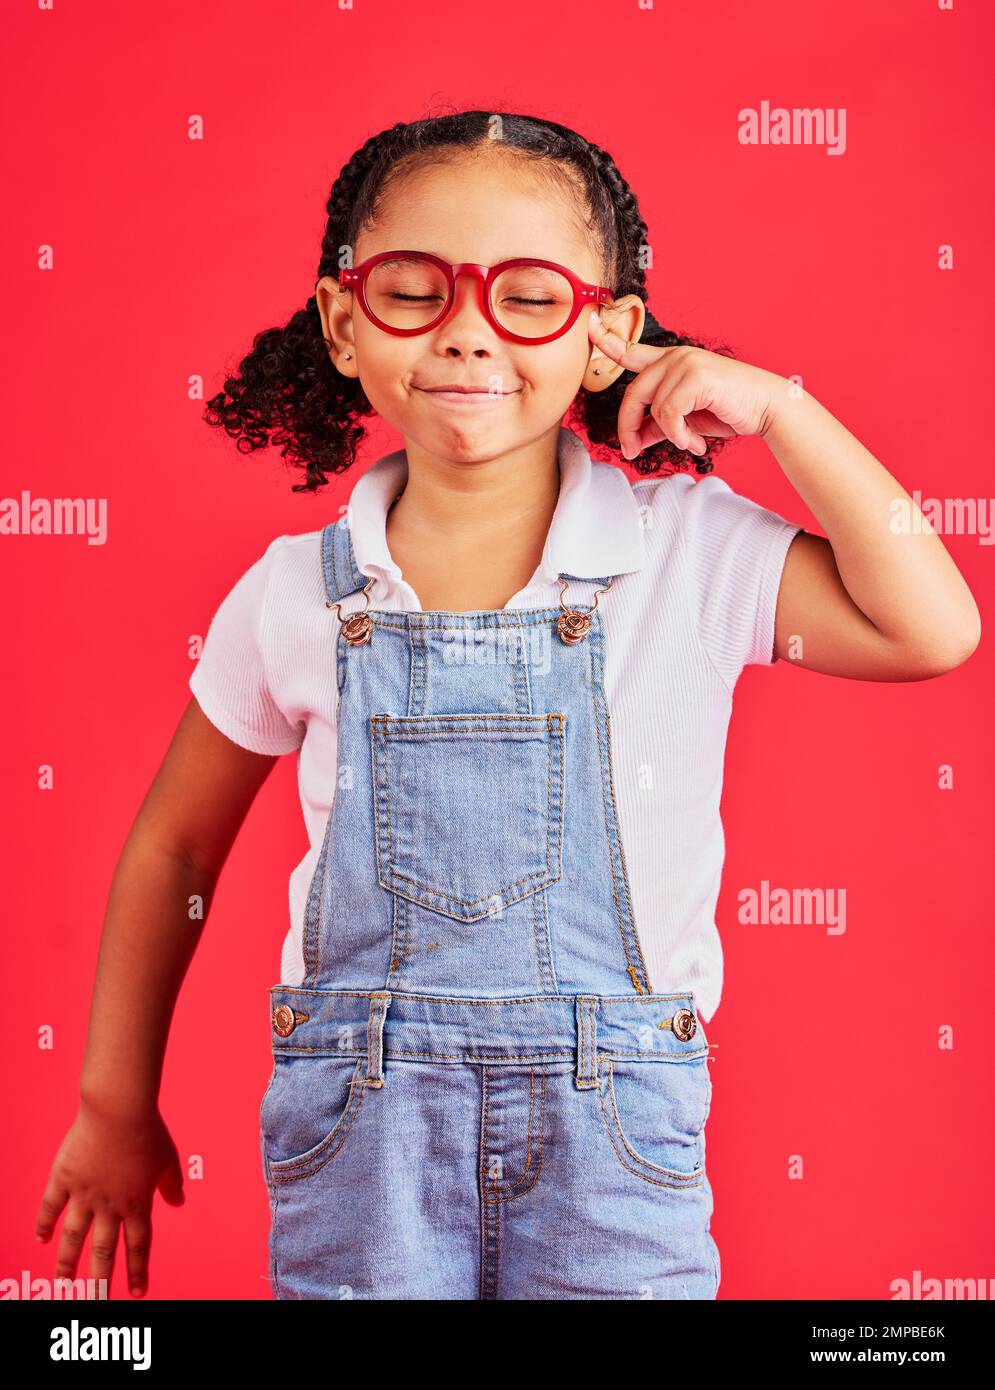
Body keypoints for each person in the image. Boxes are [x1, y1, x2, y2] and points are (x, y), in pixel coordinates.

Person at [36, 109, 980, 1301]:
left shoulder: (683, 552)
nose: (467, 334)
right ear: (341, 320)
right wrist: (113, 1102)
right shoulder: (291, 593)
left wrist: (783, 410)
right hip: (359, 1141)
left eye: (528, 297)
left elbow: (931, 628)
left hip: (614, 1147)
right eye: (413, 290)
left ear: (608, 336)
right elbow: (173, 843)